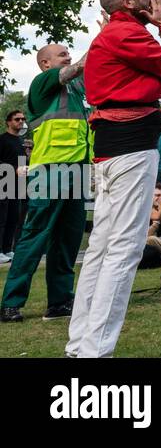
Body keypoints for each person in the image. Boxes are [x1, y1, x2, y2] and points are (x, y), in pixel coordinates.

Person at [67, 0, 161, 358]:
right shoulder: (126, 33)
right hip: (131, 149)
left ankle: (79, 347)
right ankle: (93, 353)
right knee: (122, 251)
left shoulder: (119, 33)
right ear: (126, 2)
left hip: (113, 150)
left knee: (102, 249)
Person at [1, 43, 92, 323]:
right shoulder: (41, 84)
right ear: (45, 64)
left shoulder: (78, 90)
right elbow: (80, 65)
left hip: (78, 171)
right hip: (49, 172)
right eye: (61, 54)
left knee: (68, 240)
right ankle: (10, 303)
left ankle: (60, 301)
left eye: (68, 52)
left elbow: (92, 69)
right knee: (35, 237)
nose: (68, 56)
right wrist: (105, 37)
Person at [0, 111, 27, 262]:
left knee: (13, 218)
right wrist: (13, 169)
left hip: (18, 186)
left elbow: (23, 163)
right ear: (8, 122)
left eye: (23, 119)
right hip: (3, 183)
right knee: (1, 218)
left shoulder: (22, 141)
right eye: (17, 119)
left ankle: (7, 249)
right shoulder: (2, 140)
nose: (21, 121)